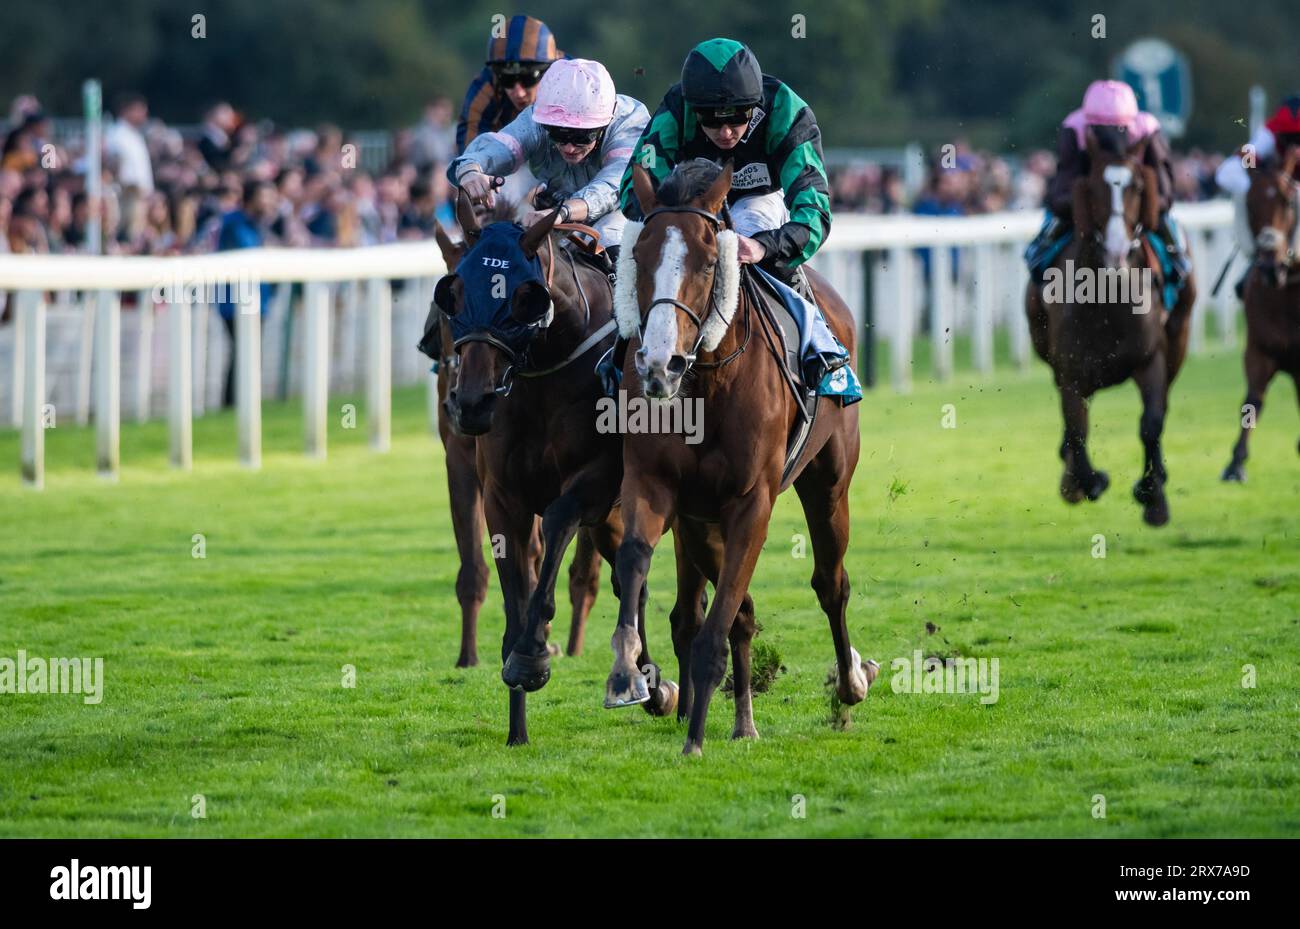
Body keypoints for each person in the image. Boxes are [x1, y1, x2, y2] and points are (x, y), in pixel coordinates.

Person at [616, 37, 854, 398]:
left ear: (755, 107)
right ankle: (614, 358)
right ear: (694, 110)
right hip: (689, 201)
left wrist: (763, 246)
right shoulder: (676, 107)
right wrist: (674, 217)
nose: (726, 132)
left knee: (749, 231)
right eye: (711, 121)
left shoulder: (786, 110)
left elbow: (815, 212)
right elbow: (632, 192)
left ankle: (820, 350)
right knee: (648, 249)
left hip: (759, 201)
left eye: (738, 119)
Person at [448, 58, 647, 260]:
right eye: (558, 135)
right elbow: (503, 146)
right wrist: (471, 169)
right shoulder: (538, 119)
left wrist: (561, 213)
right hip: (557, 208)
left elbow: (612, 187)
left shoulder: (630, 123)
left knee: (608, 233)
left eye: (582, 137)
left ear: (606, 122)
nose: (569, 147)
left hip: (625, 211)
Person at [1025, 80, 1187, 298]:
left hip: (1133, 205)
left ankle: (1178, 272)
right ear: (1090, 125)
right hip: (1088, 206)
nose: (1112, 140)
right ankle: (1038, 280)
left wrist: (1140, 207)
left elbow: (1165, 194)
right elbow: (1059, 196)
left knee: (1174, 241)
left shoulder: (1147, 130)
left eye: (1119, 130)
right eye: (1103, 131)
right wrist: (1089, 204)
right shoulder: (1075, 128)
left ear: (1130, 126)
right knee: (1042, 246)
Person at [1215, 94, 1300, 294]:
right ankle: (1255, 257)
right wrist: (1260, 187)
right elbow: (1227, 172)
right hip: (1275, 216)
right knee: (1250, 195)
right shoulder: (1267, 137)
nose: (1295, 146)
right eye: (1289, 139)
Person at [456, 15, 562, 155]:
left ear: (548, 71)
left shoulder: (572, 78)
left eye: (528, 78)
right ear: (496, 74)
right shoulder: (485, 85)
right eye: (507, 79)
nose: (519, 92)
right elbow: (469, 153)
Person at [216, 180, 277, 407]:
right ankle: (233, 404)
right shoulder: (234, 222)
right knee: (243, 352)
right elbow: (247, 252)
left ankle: (243, 403)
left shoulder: (260, 224)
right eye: (265, 197)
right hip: (235, 302)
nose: (270, 202)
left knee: (249, 353)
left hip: (257, 299)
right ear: (251, 198)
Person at [105, 92, 154, 194]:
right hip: (126, 194)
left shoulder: (135, 134)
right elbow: (114, 166)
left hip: (140, 195)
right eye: (139, 110)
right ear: (126, 111)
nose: (144, 114)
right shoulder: (116, 134)